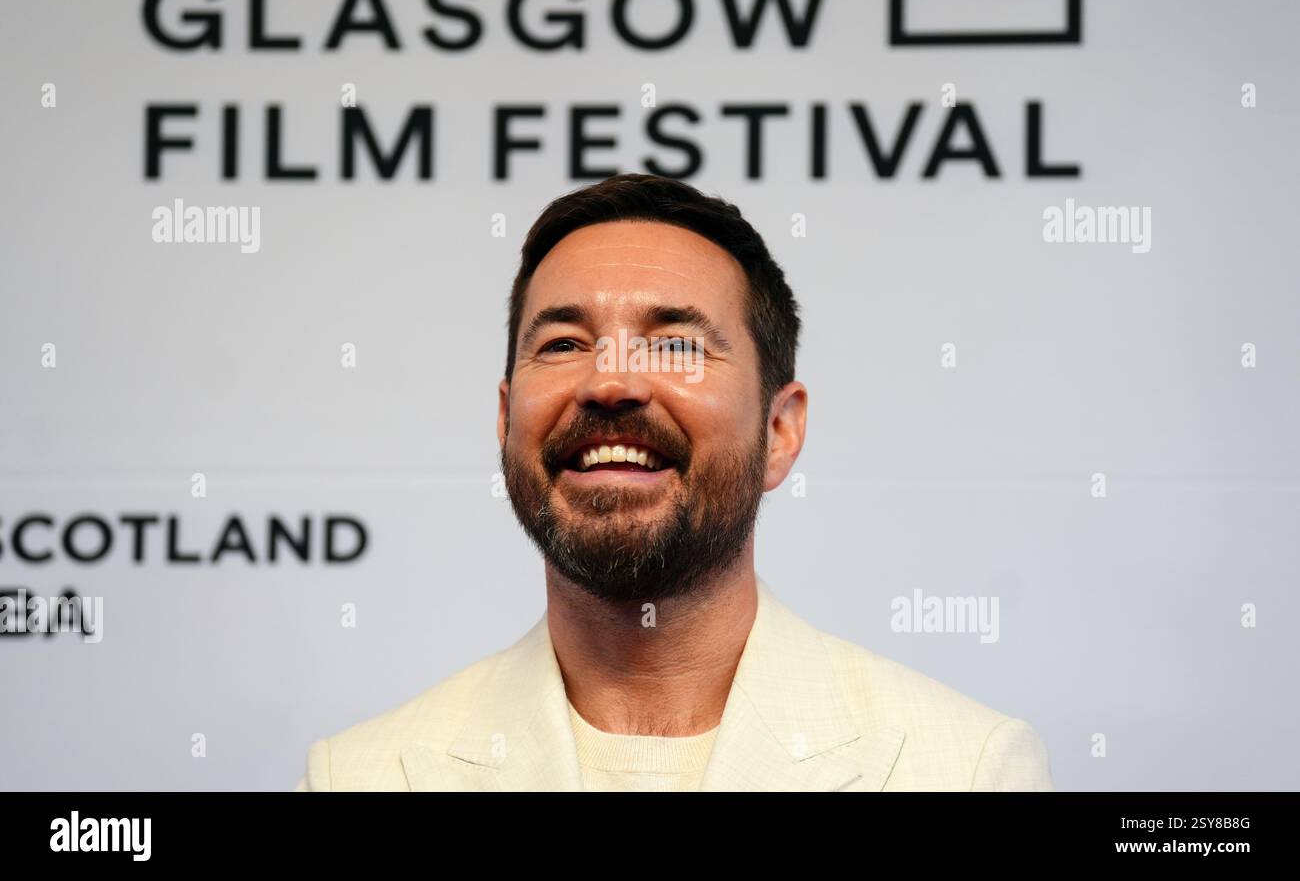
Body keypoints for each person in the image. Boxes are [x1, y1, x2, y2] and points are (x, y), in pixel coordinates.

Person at [294, 173, 1053, 791]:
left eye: (677, 345)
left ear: (779, 432)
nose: (612, 381)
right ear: (504, 419)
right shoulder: (358, 777)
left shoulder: (966, 768)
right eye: (563, 342)